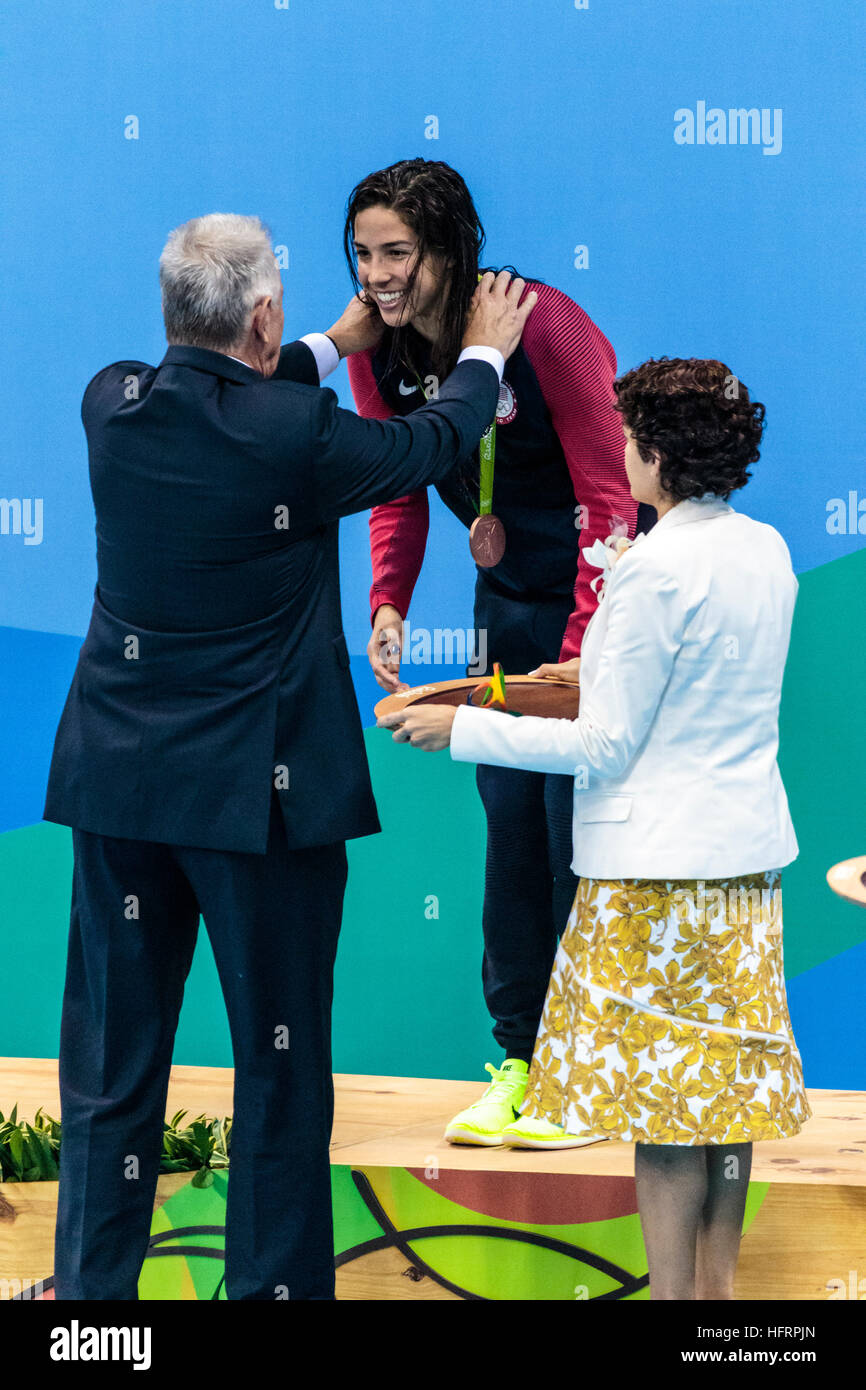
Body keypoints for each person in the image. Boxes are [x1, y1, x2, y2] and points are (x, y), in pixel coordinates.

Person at [42, 212, 535, 1300]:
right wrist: (484, 351)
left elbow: (225, 385)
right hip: (258, 808)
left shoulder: (109, 404)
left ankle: (89, 1309)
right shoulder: (298, 436)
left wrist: (333, 338)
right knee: (275, 1071)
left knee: (110, 1071)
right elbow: (429, 444)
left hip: (120, 793)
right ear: (263, 314)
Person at [378, 356, 811, 1300]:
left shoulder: (653, 570)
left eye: (626, 438)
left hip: (652, 879)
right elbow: (661, 694)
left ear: (656, 452)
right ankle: (716, 1309)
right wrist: (492, 693)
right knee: (721, 1102)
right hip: (741, 871)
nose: (617, 452)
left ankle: (673, 1308)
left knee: (663, 1119)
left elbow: (607, 742)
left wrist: (464, 729)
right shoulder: (764, 551)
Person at [344, 157, 652, 1145]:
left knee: (579, 836)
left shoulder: (539, 324)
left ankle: (598, 1071)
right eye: (361, 252)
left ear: (446, 248)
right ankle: (523, 1061)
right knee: (511, 831)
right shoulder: (377, 351)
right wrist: (389, 598)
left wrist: (575, 658)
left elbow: (613, 500)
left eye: (395, 252)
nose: (375, 274)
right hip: (503, 613)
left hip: (595, 611)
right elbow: (395, 480)